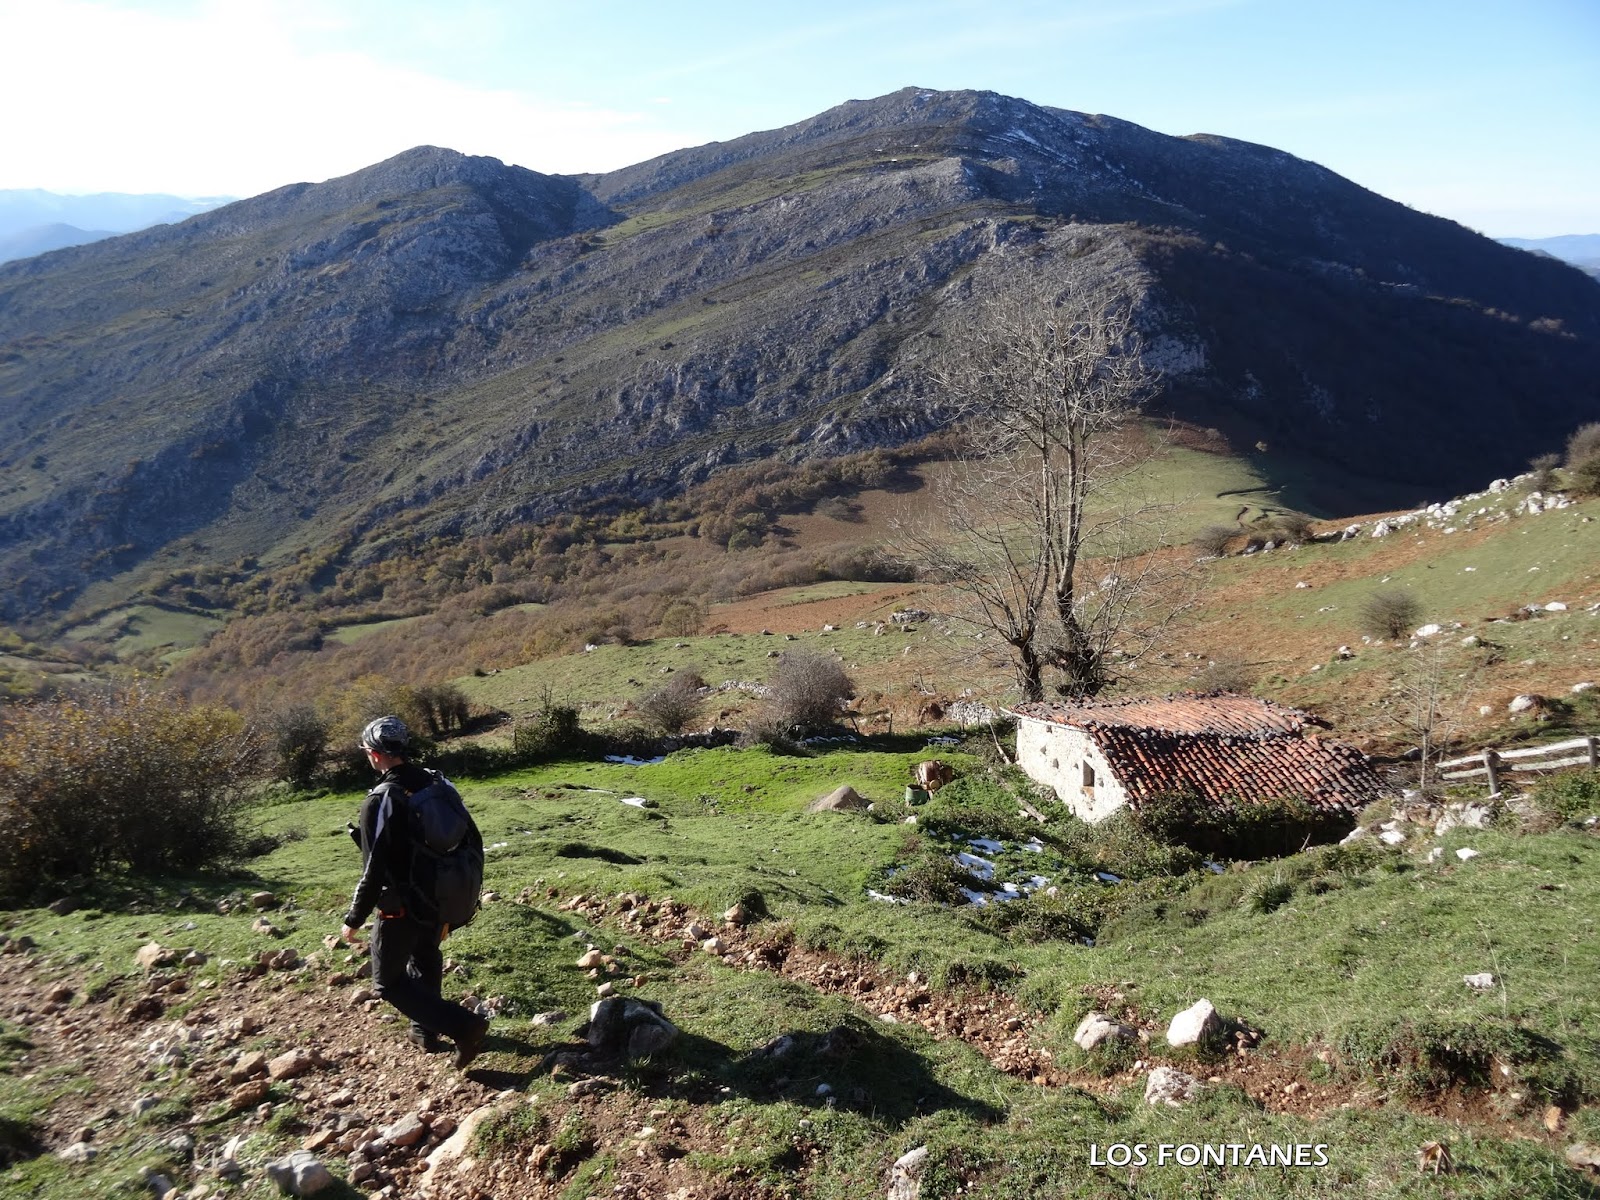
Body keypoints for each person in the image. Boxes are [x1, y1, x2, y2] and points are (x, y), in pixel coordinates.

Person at [341, 715, 489, 1068]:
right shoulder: (436, 783)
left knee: (388, 982)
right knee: (424, 955)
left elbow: (373, 868)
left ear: (375, 754)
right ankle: (425, 1030)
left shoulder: (381, 797)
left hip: (401, 905)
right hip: (438, 896)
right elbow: (471, 838)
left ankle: (464, 1026)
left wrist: (354, 919)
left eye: (365, 751)